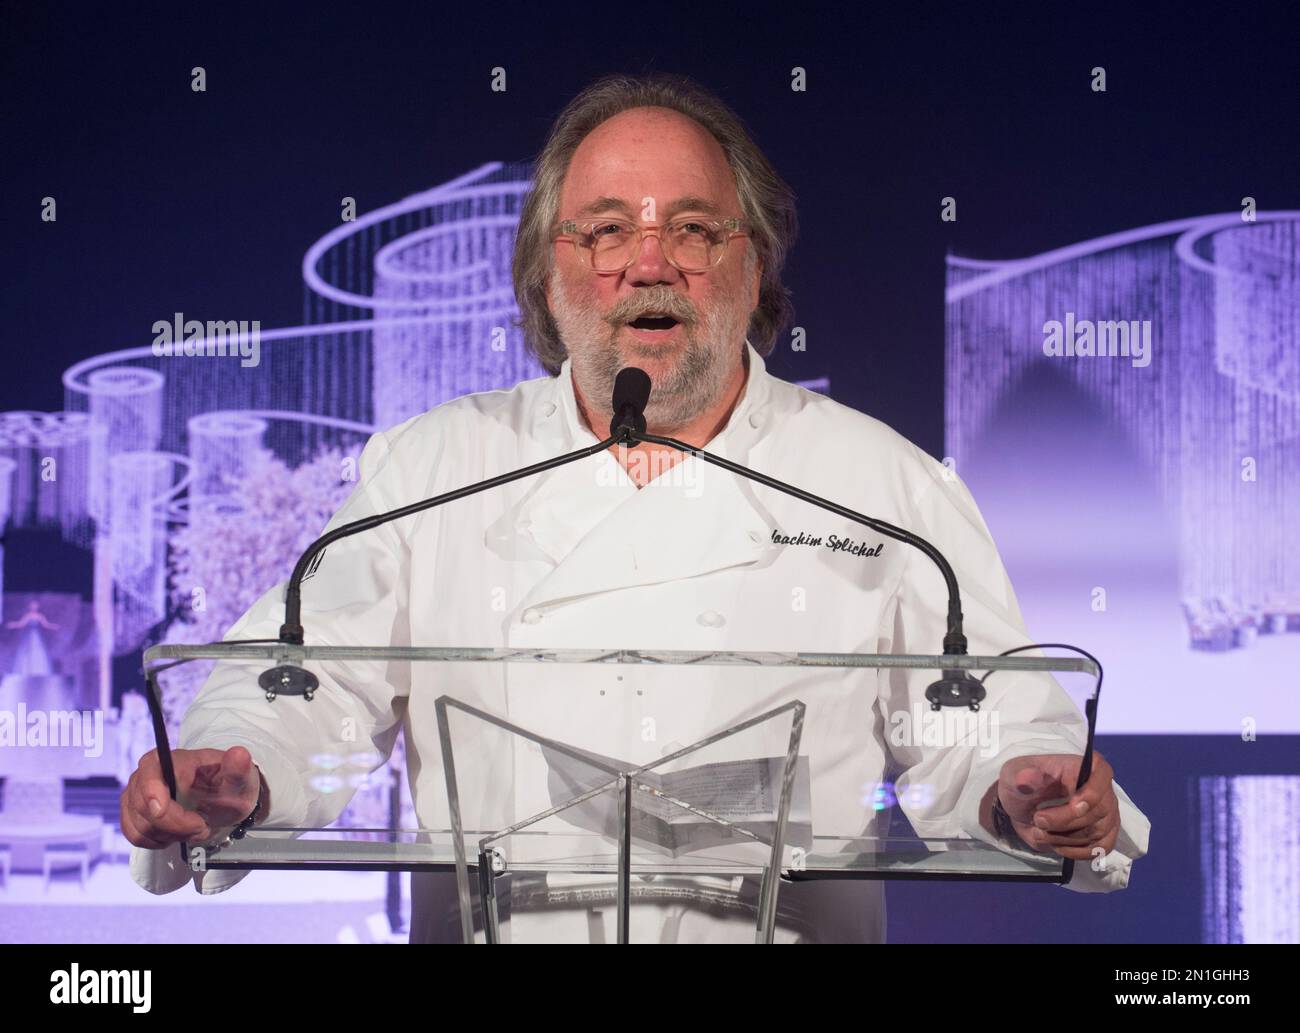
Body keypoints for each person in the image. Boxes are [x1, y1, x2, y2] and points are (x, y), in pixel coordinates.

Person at [122, 73, 1150, 943]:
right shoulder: (436, 464)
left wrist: (1026, 786)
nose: (647, 262)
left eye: (694, 230)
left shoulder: (882, 482)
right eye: (604, 230)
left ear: (752, 267)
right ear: (547, 270)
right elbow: (300, 683)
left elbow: (984, 724)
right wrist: (233, 772)